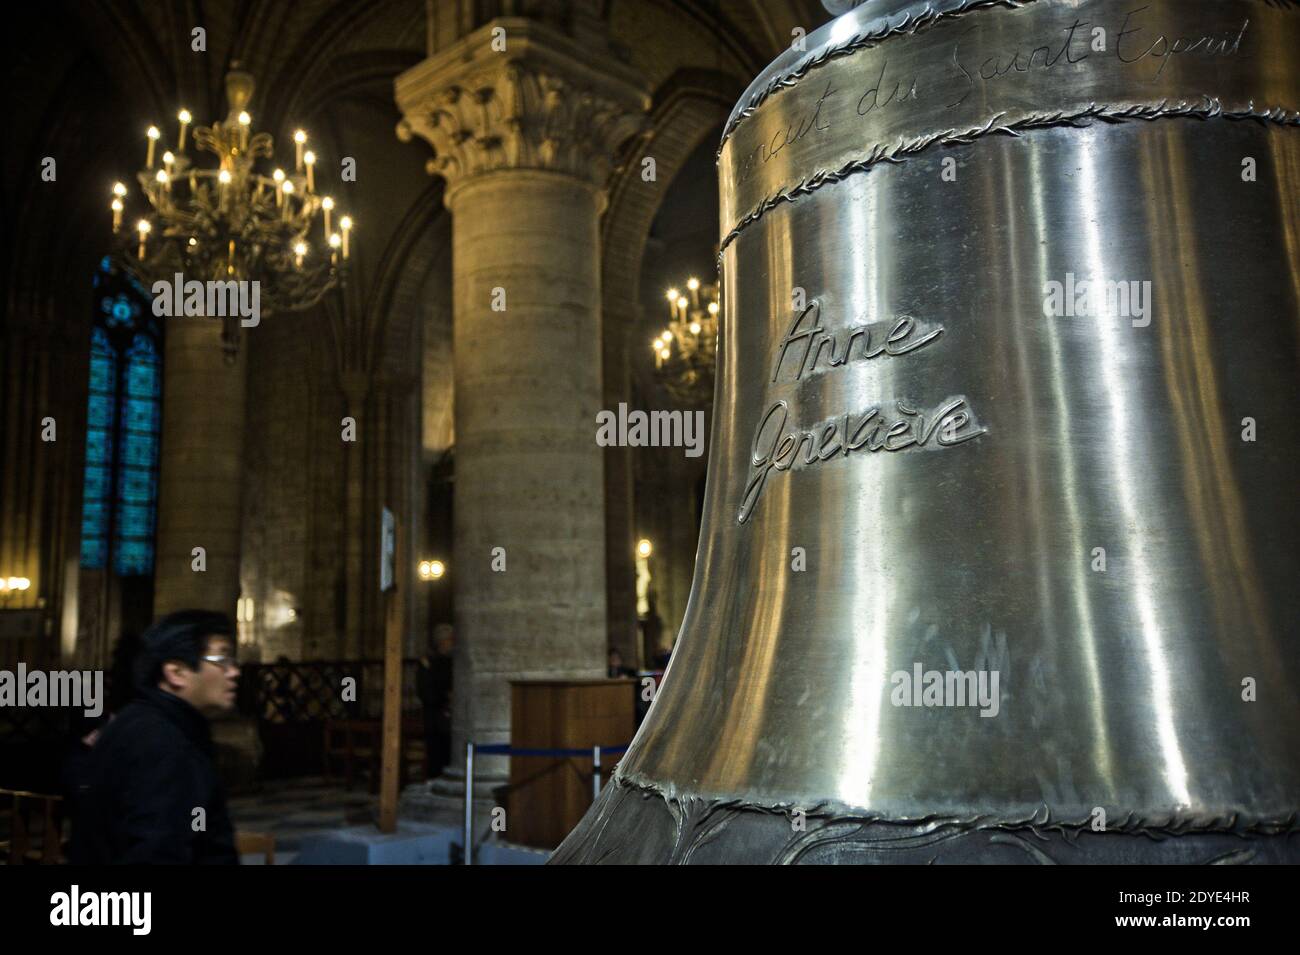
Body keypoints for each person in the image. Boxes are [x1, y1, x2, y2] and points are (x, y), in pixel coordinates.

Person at [70, 610, 241, 864]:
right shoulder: (163, 742)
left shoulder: (145, 721)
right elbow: (155, 852)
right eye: (221, 658)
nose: (234, 671)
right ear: (176, 672)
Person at [416, 623, 454, 778]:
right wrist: (446, 696)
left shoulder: (454, 661)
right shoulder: (428, 662)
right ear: (443, 641)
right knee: (436, 756)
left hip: (450, 718)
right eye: (451, 640)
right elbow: (425, 690)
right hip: (435, 717)